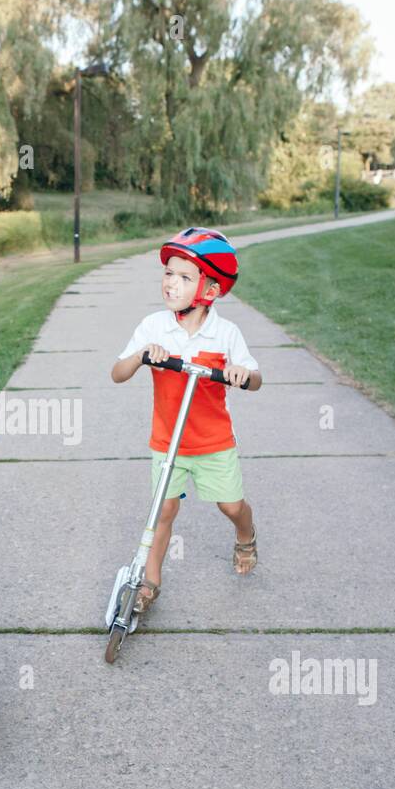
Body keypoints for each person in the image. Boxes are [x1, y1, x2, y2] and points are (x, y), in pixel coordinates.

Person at [110, 227, 263, 613]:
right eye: (168, 273)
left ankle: (245, 534)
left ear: (210, 290)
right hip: (167, 441)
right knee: (162, 511)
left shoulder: (225, 334)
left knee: (230, 506)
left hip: (213, 443)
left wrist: (241, 373)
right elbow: (118, 372)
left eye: (184, 277)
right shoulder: (153, 327)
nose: (171, 283)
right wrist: (144, 353)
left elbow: (256, 378)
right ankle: (149, 583)